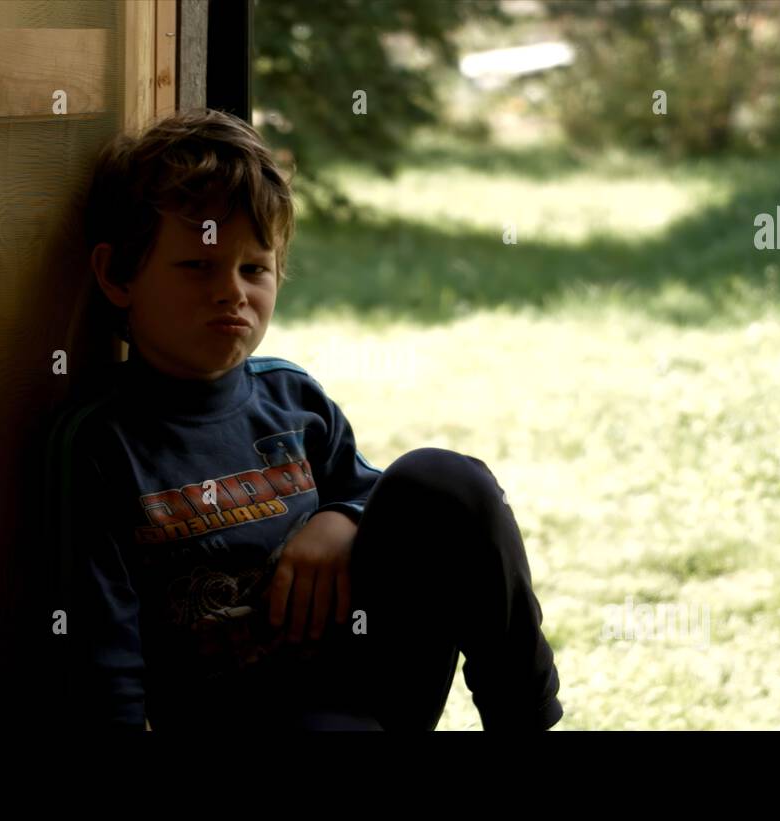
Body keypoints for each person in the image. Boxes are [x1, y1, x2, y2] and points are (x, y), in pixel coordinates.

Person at [47, 108, 563, 731]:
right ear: (117, 275)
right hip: (243, 716)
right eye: (198, 266)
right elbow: (102, 656)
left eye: (253, 268)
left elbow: (372, 494)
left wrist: (342, 519)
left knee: (448, 481)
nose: (232, 292)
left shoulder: (294, 399)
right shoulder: (101, 444)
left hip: (367, 681)